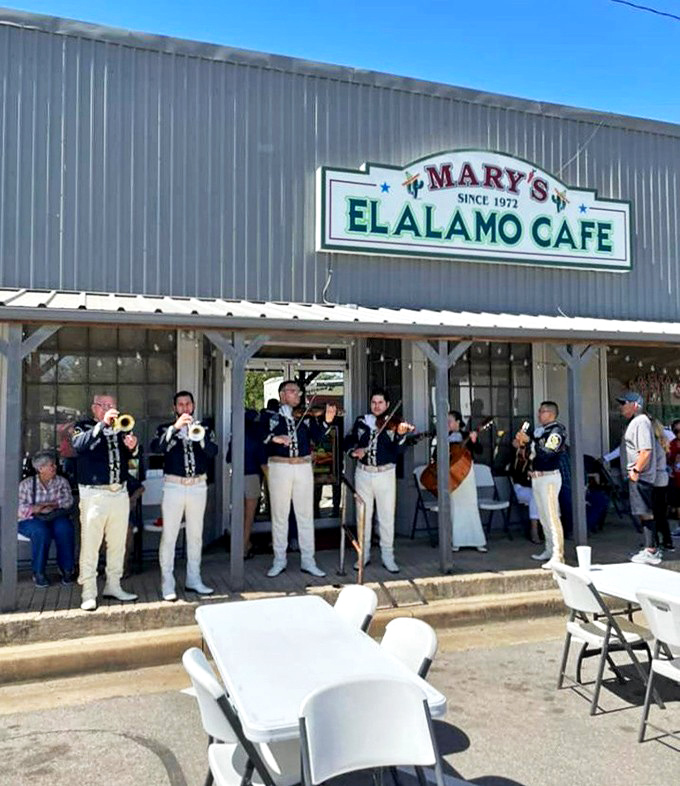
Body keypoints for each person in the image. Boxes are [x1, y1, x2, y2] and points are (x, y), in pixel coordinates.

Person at [261, 380, 336, 578]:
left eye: (299, 392)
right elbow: (259, 435)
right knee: (280, 516)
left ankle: (308, 561)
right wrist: (273, 438)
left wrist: (327, 421)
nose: (298, 395)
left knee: (305, 515)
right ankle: (279, 560)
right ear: (282, 394)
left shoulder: (306, 417)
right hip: (280, 466)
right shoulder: (270, 415)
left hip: (302, 467)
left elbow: (317, 437)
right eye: (294, 391)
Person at [72, 393, 139, 611]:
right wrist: (102, 424)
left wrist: (133, 446)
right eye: (105, 405)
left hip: (119, 492)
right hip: (94, 494)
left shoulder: (121, 427)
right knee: (90, 545)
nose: (110, 409)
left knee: (117, 544)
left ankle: (113, 585)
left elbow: (131, 460)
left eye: (113, 405)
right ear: (95, 408)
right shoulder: (83, 426)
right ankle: (89, 592)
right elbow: (79, 446)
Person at [150, 390, 217, 601]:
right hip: (174, 486)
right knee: (170, 536)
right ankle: (167, 582)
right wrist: (175, 429)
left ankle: (194, 579)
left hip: (198, 485)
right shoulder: (164, 429)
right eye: (180, 405)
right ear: (175, 408)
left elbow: (213, 452)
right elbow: (157, 447)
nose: (185, 408)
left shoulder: (204, 428)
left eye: (188, 404)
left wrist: (200, 437)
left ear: (193, 406)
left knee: (195, 535)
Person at [345, 388, 414, 573]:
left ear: (387, 405)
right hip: (363, 473)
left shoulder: (395, 423)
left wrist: (400, 435)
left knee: (386, 516)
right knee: (363, 516)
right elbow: (349, 440)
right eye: (374, 402)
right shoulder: (362, 421)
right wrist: (354, 451)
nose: (377, 406)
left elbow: (398, 451)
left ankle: (387, 556)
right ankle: (363, 555)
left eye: (380, 403)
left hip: (385, 473)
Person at [515, 401, 567, 568]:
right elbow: (532, 454)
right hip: (536, 477)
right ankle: (548, 549)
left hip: (549, 477)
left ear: (551, 413)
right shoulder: (540, 431)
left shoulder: (556, 431)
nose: (539, 414)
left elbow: (547, 453)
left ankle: (558, 555)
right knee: (543, 517)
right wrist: (522, 444)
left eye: (542, 411)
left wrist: (530, 441)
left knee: (552, 516)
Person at [17, 451, 75, 587]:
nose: (55, 467)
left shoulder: (61, 481)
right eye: (51, 465)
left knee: (65, 528)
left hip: (55, 516)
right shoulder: (26, 484)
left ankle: (67, 569)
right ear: (40, 469)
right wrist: (35, 508)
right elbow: (19, 509)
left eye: (54, 465)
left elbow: (68, 501)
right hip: (31, 519)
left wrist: (52, 505)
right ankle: (38, 572)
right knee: (40, 532)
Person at [617, 392, 660, 565]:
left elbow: (646, 450)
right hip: (638, 475)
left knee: (645, 512)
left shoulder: (641, 422)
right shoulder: (635, 422)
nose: (621, 407)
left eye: (624, 403)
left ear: (635, 405)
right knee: (642, 512)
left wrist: (636, 470)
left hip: (641, 476)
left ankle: (651, 550)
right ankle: (649, 546)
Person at [227, 408, 267, 559]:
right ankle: (243, 547)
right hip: (252, 477)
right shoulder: (257, 438)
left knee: (239, 515)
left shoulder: (235, 437)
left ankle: (238, 546)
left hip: (237, 477)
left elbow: (228, 458)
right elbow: (263, 463)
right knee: (249, 516)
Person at [446, 411, 487, 552]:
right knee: (455, 508)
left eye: (450, 420)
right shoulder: (444, 437)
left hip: (467, 472)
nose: (447, 424)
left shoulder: (466, 435)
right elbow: (436, 456)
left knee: (470, 506)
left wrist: (474, 440)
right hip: (451, 474)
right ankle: (456, 541)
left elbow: (479, 451)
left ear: (458, 422)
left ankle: (477, 540)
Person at [651, 418, 673, 552]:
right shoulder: (662, 441)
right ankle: (666, 540)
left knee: (655, 512)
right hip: (663, 479)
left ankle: (656, 541)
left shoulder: (654, 444)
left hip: (655, 479)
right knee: (660, 513)